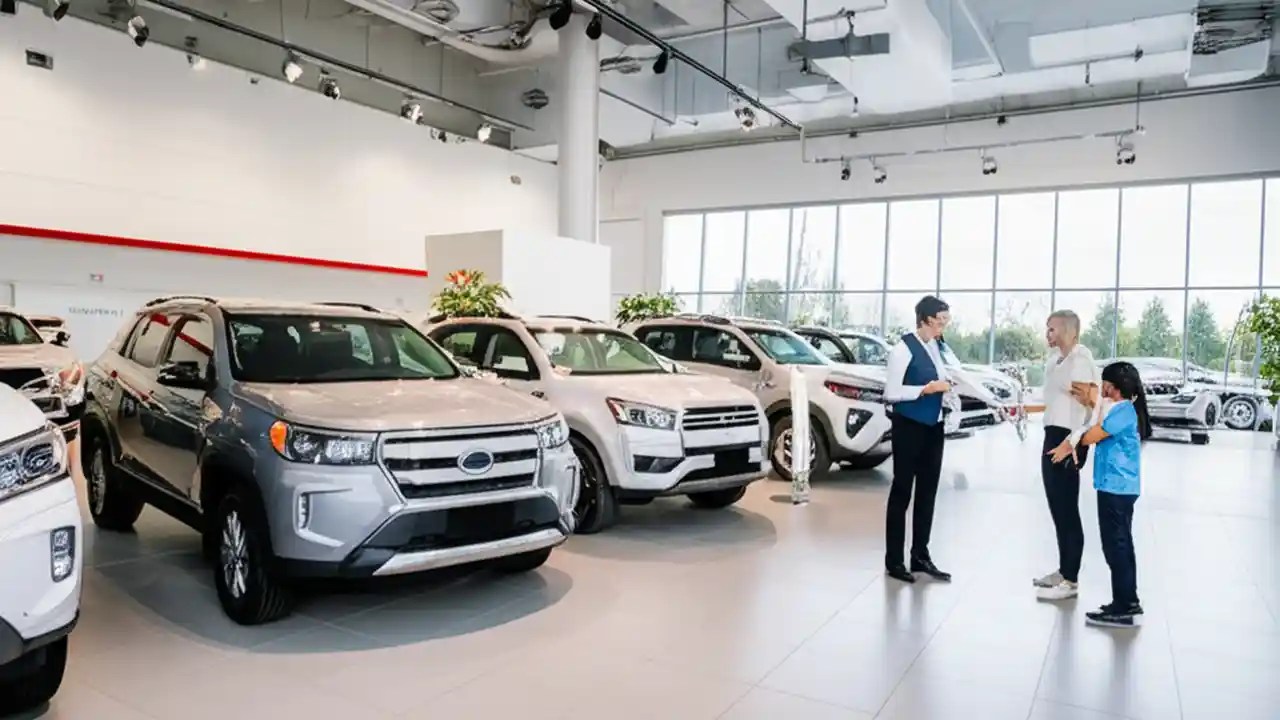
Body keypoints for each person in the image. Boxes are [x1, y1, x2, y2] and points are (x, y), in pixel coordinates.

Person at [1049, 361, 1151, 628]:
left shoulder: (1123, 411)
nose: (1100, 387)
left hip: (1117, 488)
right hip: (1113, 486)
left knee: (1117, 546)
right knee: (1117, 545)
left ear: (1115, 387)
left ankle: (1126, 605)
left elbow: (1092, 435)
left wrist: (1074, 438)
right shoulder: (1119, 409)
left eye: (1104, 382)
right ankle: (1123, 601)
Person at [884, 295, 954, 584]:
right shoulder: (902, 349)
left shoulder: (938, 348)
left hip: (933, 427)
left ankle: (920, 556)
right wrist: (924, 390)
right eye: (940, 322)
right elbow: (891, 392)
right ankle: (894, 560)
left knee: (928, 492)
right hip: (909, 425)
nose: (943, 327)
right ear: (924, 320)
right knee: (902, 491)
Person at [1035, 310, 1100, 601]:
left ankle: (1071, 580)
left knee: (1067, 510)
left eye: (1052, 330)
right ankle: (1064, 571)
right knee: (1057, 508)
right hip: (1053, 433)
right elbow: (1054, 400)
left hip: (1068, 438)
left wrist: (1075, 443)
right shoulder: (1055, 361)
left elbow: (1090, 403)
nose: (1048, 334)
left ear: (1069, 332)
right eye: (1047, 329)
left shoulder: (1080, 359)